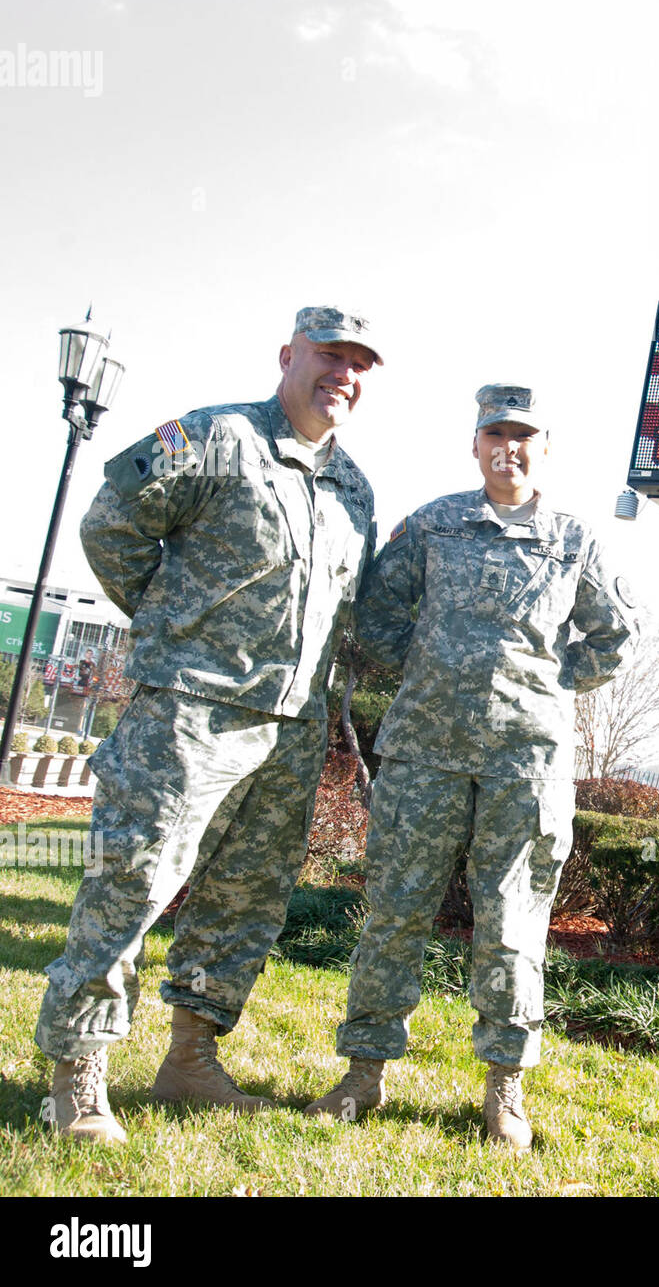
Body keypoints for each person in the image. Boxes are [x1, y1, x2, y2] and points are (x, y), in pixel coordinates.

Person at [35, 306, 381, 1145]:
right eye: (328, 355)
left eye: (358, 364)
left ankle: (190, 1057)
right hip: (189, 711)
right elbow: (110, 525)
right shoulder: (217, 437)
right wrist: (170, 629)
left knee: (244, 903)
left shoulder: (355, 488)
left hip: (289, 729)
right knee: (134, 883)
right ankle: (77, 1075)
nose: (343, 373)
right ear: (288, 355)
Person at [307, 383, 636, 1150]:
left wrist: (550, 684)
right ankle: (364, 1072)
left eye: (523, 436)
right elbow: (377, 613)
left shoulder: (573, 539)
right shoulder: (433, 524)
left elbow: (615, 632)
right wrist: (423, 672)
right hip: (424, 752)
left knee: (513, 924)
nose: (507, 449)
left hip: (527, 762)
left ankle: (504, 1088)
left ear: (543, 448)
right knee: (394, 912)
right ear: (476, 444)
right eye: (495, 434)